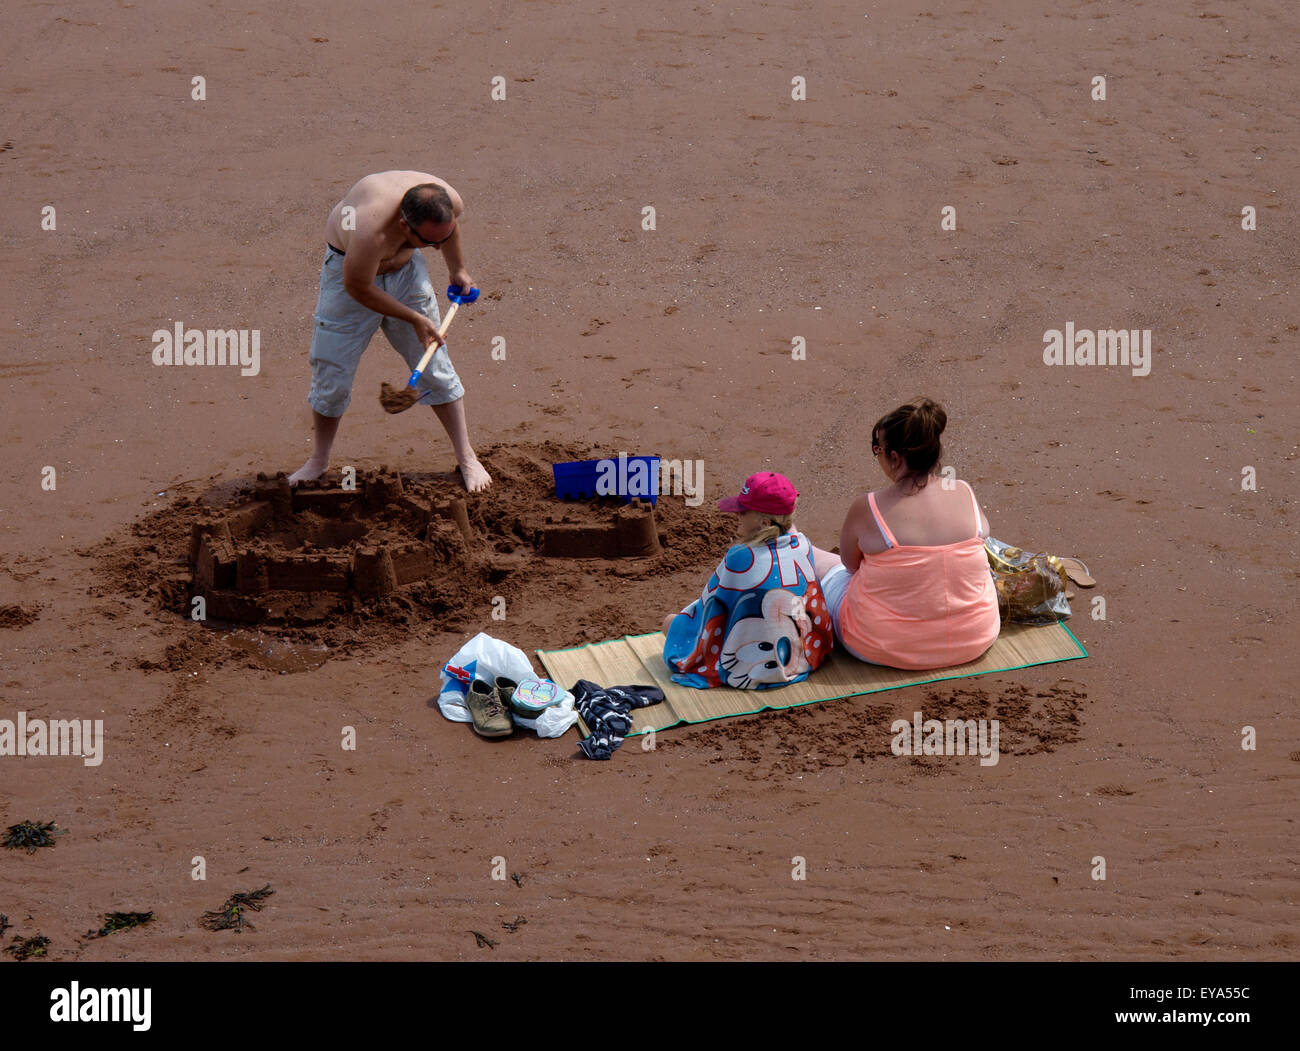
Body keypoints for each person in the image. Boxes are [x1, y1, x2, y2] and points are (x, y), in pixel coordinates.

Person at [288, 170, 491, 491]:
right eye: (429, 242)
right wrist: (413, 318)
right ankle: (318, 460)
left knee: (434, 366)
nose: (437, 249)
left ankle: (467, 457)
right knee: (332, 372)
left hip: (406, 273)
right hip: (351, 278)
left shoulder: (449, 202)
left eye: (442, 238)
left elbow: (447, 233)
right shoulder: (368, 229)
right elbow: (358, 287)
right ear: (403, 226)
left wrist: (458, 269)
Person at [814, 399, 999, 670]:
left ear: (895, 457)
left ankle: (794, 541)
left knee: (829, 570)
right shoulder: (964, 491)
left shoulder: (869, 506)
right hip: (975, 638)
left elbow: (849, 565)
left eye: (877, 448)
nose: (877, 455)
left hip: (881, 646)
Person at [662, 472, 833, 689]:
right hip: (800, 660)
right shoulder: (803, 545)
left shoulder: (740, 557)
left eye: (743, 511)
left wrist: (681, 623)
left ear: (763, 522)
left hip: (746, 665)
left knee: (670, 623)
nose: (737, 515)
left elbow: (711, 609)